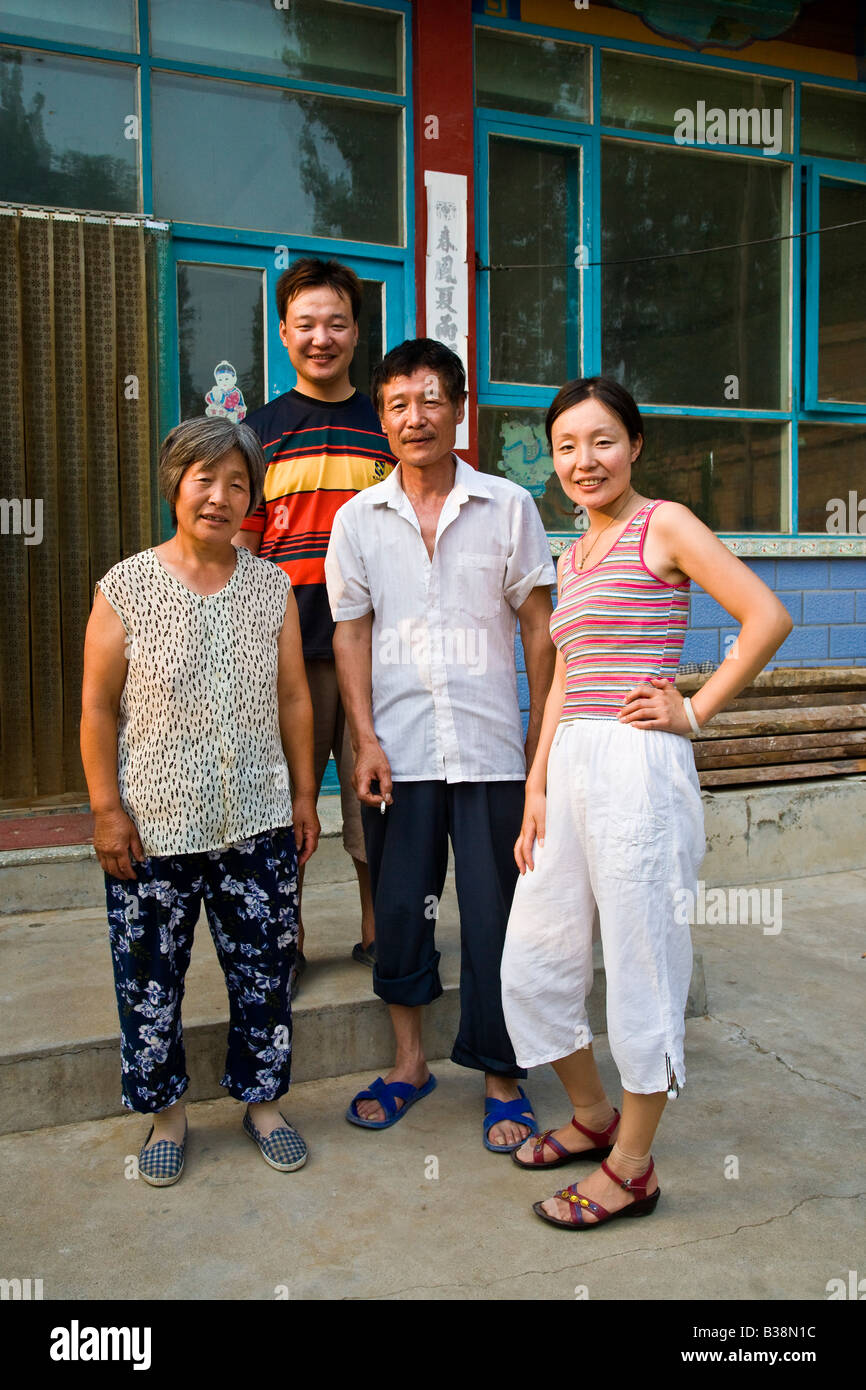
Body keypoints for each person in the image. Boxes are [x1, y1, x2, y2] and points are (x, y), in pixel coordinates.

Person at [500, 377, 793, 1225]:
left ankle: (632, 1168)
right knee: (534, 961)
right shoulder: (571, 555)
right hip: (571, 767)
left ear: (634, 446)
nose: (583, 461)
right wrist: (535, 787)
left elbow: (765, 615)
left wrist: (694, 711)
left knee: (641, 966)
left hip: (639, 767)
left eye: (602, 441)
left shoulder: (661, 524)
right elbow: (560, 685)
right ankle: (595, 1117)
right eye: (566, 447)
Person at [325, 338, 558, 1149]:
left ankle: (501, 1075)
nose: (415, 417)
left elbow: (538, 627)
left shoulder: (508, 506)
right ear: (381, 418)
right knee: (400, 912)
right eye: (397, 404)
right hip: (401, 751)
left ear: (459, 410)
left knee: (498, 918)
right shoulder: (357, 519)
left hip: (493, 748)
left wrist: (538, 734)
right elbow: (350, 635)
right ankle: (409, 1064)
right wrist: (363, 739)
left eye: (430, 400)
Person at [81, 416, 320, 1186]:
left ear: (253, 497)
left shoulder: (271, 586)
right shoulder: (127, 586)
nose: (219, 496)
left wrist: (306, 795)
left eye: (237, 483)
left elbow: (292, 697)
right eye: (203, 478)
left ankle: (262, 1103)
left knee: (263, 971)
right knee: (150, 980)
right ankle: (166, 1114)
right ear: (175, 484)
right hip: (154, 830)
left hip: (258, 820)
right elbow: (95, 707)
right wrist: (106, 811)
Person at [235, 258, 396, 986]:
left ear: (357, 332)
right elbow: (240, 545)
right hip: (288, 654)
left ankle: (378, 931)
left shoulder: (387, 427)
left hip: (375, 654)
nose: (321, 337)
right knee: (285, 803)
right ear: (283, 332)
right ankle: (289, 938)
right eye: (306, 325)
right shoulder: (254, 434)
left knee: (374, 802)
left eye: (336, 323)